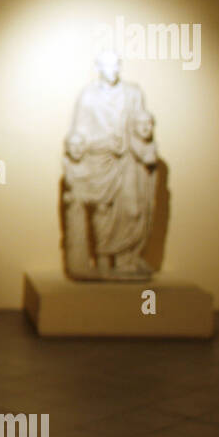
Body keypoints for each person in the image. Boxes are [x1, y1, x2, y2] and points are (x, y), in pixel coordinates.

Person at [64, 51, 158, 278]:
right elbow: (77, 136)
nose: (113, 71)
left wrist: (142, 149)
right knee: (103, 213)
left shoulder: (133, 93)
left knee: (133, 210)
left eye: (116, 66)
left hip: (129, 160)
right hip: (99, 161)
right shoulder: (88, 96)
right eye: (108, 66)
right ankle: (105, 261)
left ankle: (127, 260)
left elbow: (142, 125)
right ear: (98, 67)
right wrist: (103, 142)